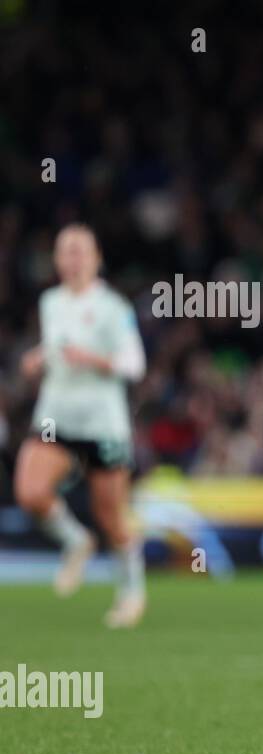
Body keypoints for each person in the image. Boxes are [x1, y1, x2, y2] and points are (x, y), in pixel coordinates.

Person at [15, 224, 147, 629]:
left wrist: (92, 359)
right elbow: (58, 346)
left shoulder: (113, 308)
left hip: (103, 425)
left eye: (80, 252)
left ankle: (131, 591)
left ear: (96, 258)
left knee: (110, 516)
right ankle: (76, 541)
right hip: (56, 418)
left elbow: (134, 365)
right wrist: (39, 358)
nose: (72, 260)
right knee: (30, 493)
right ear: (56, 260)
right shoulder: (50, 301)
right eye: (65, 252)